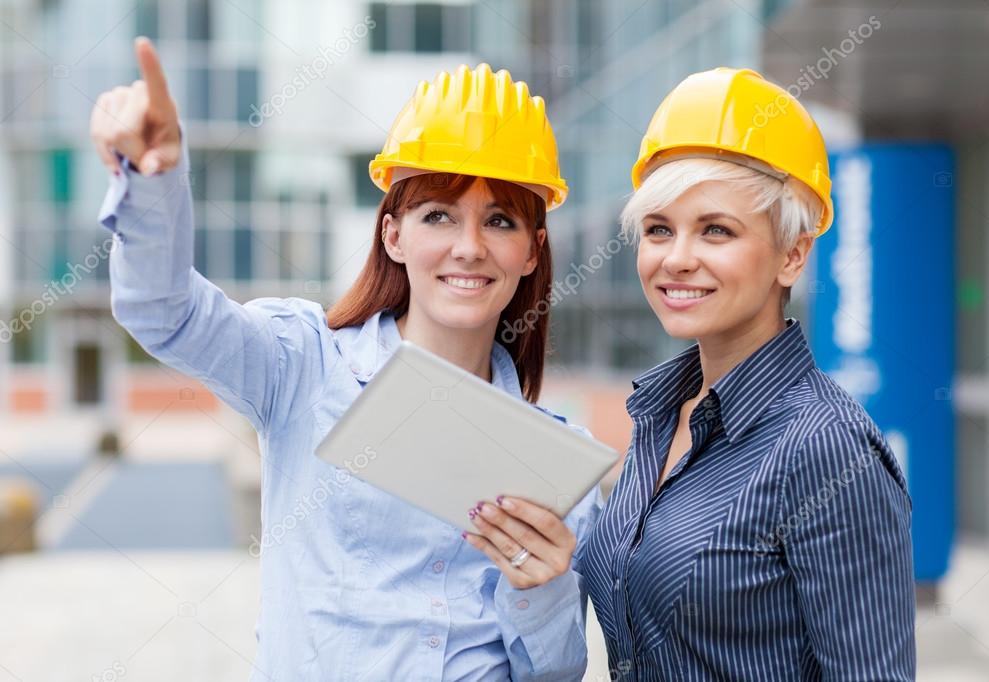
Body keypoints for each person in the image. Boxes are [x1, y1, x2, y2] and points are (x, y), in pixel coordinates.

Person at [91, 37, 600, 681]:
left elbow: (554, 675)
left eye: (500, 221)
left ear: (532, 250)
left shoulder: (557, 471)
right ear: (393, 234)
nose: (469, 247)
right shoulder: (302, 365)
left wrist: (544, 590)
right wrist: (153, 183)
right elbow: (166, 313)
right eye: (439, 215)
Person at [579, 67, 915, 680]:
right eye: (659, 229)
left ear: (793, 253)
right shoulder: (659, 416)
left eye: (716, 230)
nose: (677, 259)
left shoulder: (828, 449)